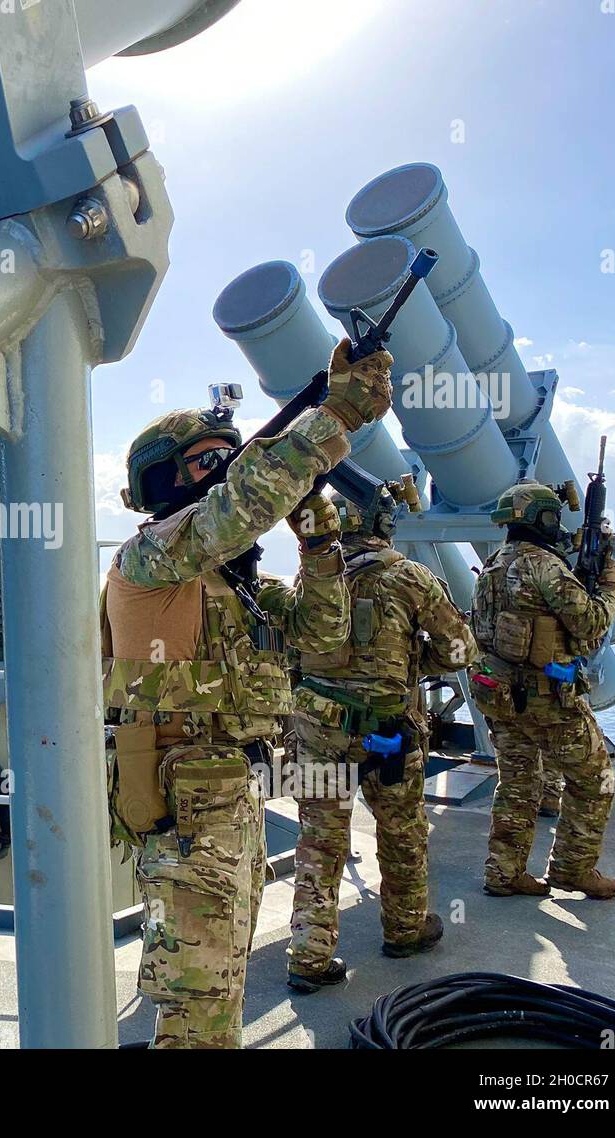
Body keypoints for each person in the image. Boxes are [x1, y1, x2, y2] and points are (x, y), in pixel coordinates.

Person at [101, 337, 392, 1047]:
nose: (222, 472)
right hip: (188, 802)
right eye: (207, 462)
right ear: (165, 481)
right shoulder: (151, 558)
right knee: (199, 1008)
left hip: (232, 794)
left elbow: (321, 638)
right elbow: (241, 504)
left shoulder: (235, 587)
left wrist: (321, 549)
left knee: (218, 988)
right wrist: (336, 417)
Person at [285, 482, 478, 992]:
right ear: (381, 523)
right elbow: (460, 651)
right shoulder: (411, 578)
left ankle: (308, 953)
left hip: (319, 729)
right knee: (401, 832)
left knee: (319, 841)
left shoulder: (308, 579)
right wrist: (416, 663)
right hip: (387, 732)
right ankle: (405, 927)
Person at [469, 481, 615, 898]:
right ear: (545, 518)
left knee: (517, 783)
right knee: (594, 781)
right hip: (549, 699)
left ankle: (503, 873)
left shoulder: (492, 566)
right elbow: (590, 623)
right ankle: (572, 869)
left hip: (501, 697)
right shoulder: (545, 566)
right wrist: (610, 584)